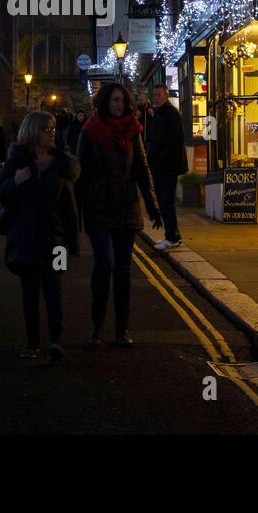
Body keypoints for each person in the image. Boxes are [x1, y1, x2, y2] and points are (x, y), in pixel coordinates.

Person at [76, 82, 162, 346]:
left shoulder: (132, 131)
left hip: (126, 206)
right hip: (99, 207)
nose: (119, 105)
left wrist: (152, 205)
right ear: (104, 102)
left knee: (123, 270)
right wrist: (75, 214)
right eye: (114, 100)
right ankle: (97, 328)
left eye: (122, 101)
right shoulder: (89, 131)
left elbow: (141, 169)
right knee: (105, 264)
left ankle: (122, 330)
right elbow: (80, 174)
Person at [0, 112, 80, 360]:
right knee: (29, 293)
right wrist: (16, 182)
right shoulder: (17, 161)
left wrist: (73, 241)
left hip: (56, 240)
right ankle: (32, 343)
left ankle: (55, 341)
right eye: (46, 130)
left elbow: (69, 207)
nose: (51, 133)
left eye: (53, 129)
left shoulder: (61, 164)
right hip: (24, 239)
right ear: (32, 131)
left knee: (55, 289)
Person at [145, 84, 189, 250]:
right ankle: (171, 236)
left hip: (167, 166)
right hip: (161, 165)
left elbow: (174, 141)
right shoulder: (160, 113)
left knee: (166, 201)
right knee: (164, 202)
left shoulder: (171, 114)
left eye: (159, 95)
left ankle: (172, 237)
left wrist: (159, 158)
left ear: (166, 95)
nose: (156, 98)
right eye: (154, 95)